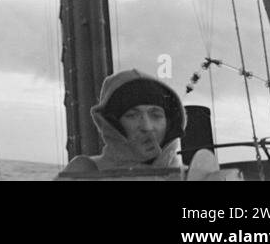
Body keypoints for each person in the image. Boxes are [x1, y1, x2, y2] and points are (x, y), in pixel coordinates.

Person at [58, 69, 186, 177]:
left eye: (156, 115)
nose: (147, 127)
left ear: (170, 122)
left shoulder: (191, 175)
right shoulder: (86, 172)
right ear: (112, 124)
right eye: (132, 116)